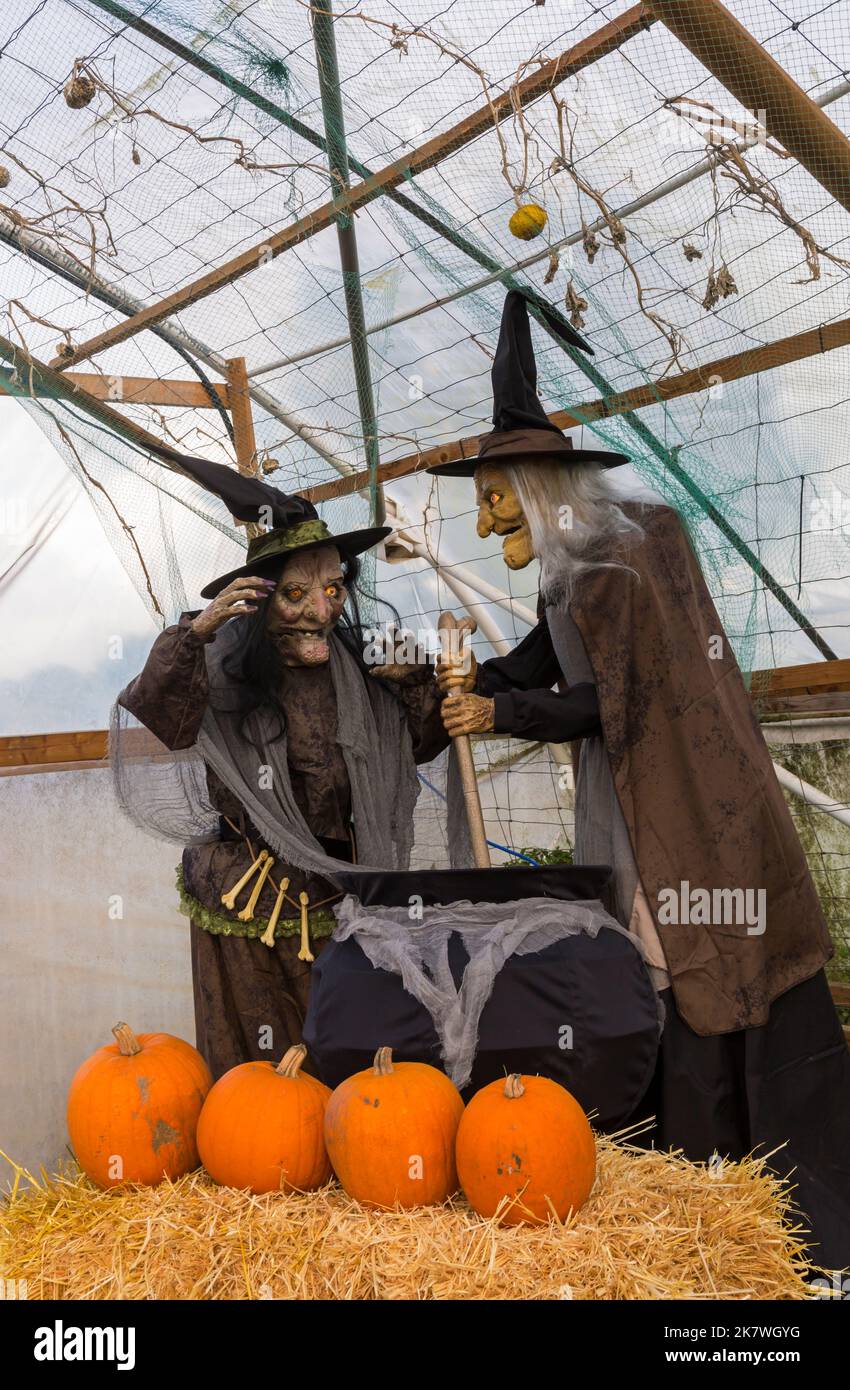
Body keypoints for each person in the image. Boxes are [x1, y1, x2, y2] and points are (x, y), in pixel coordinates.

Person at [429, 290, 850, 1269]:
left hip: (699, 818)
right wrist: (453, 684)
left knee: (709, 973)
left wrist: (496, 713)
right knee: (657, 976)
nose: (486, 521)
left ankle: (767, 1221)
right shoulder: (574, 561)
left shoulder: (627, 546)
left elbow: (617, 697)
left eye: (493, 497)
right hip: (642, 819)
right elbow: (544, 660)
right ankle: (689, 1195)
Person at [114, 458, 446, 1079]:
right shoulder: (222, 674)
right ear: (257, 602)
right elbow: (162, 716)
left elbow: (422, 746)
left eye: (332, 589)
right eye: (294, 594)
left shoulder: (363, 668)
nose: (319, 611)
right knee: (271, 1070)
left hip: (344, 888)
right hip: (254, 893)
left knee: (350, 1055)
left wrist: (414, 684)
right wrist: (196, 632)